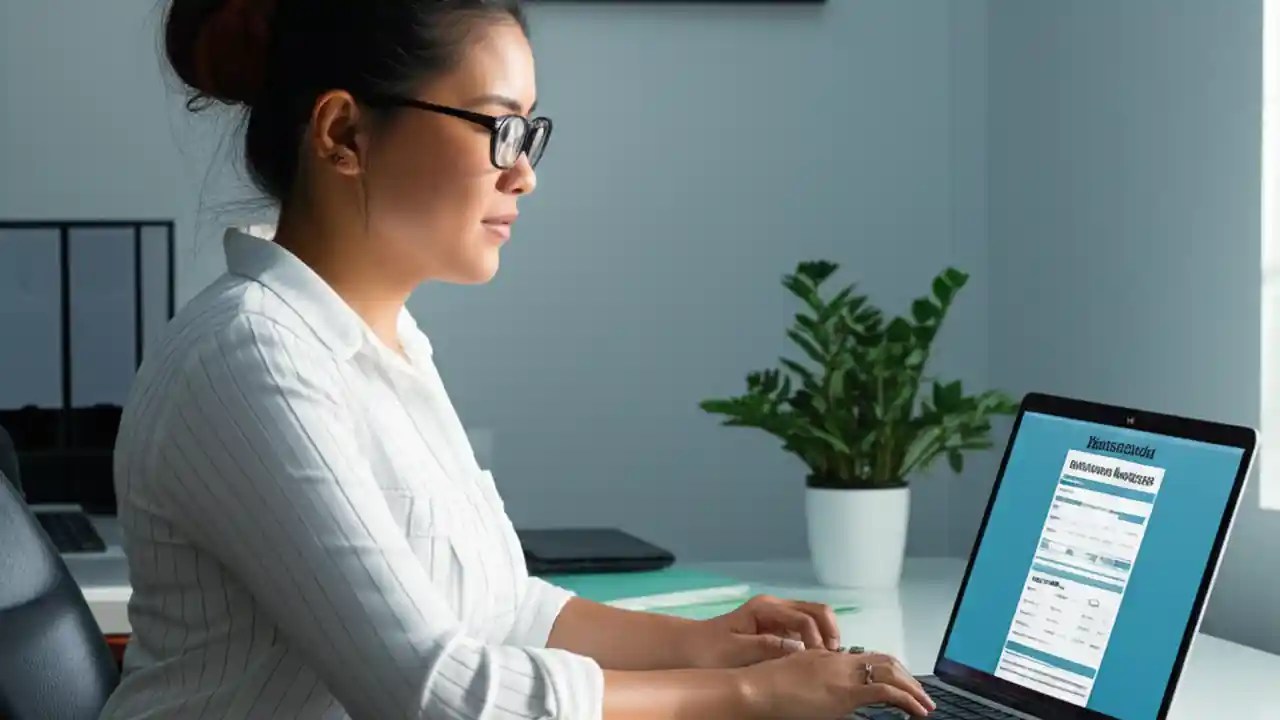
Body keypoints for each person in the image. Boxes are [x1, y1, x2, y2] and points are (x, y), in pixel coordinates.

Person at [100, 1, 935, 718]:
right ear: (344, 133)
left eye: (530, 132)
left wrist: (718, 649)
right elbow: (436, 693)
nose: (524, 174)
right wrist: (750, 698)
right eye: (499, 128)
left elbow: (501, 607)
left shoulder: (383, 345)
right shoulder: (249, 357)